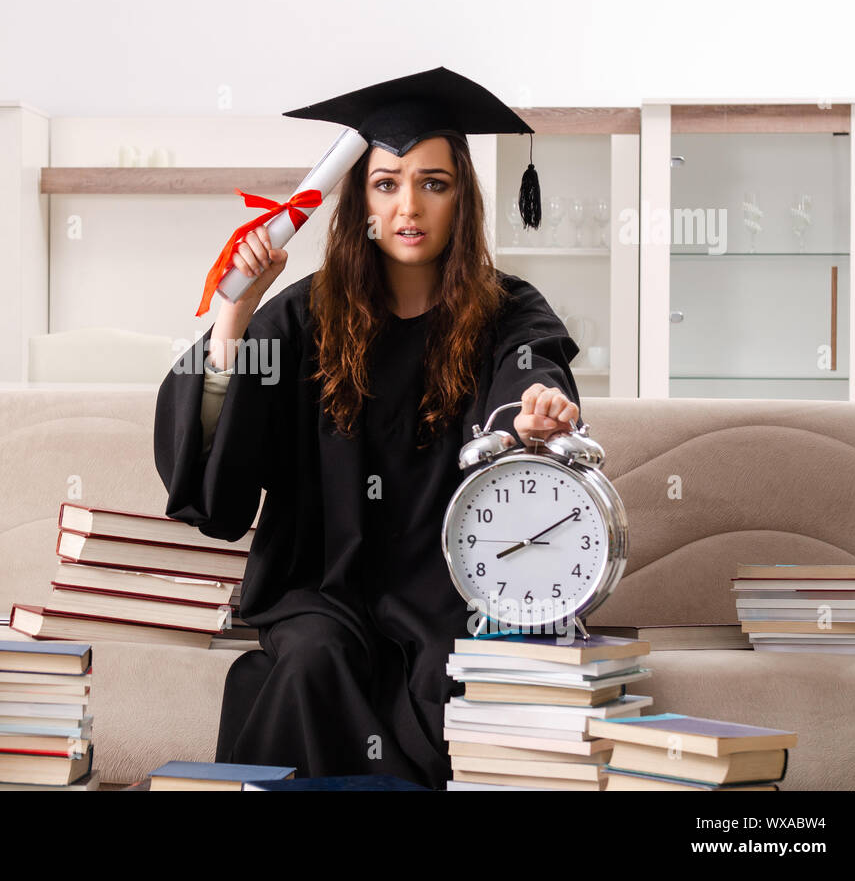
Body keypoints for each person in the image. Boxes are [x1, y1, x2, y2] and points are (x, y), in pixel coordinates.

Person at [152, 66, 582, 790]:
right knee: (310, 658)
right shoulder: (303, 315)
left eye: (432, 182)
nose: (409, 205)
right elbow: (220, 476)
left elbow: (531, 375)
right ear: (360, 199)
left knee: (457, 673)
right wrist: (235, 311)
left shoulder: (508, 309)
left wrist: (535, 412)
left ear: (462, 198)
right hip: (324, 587)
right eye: (387, 183)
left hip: (451, 589)